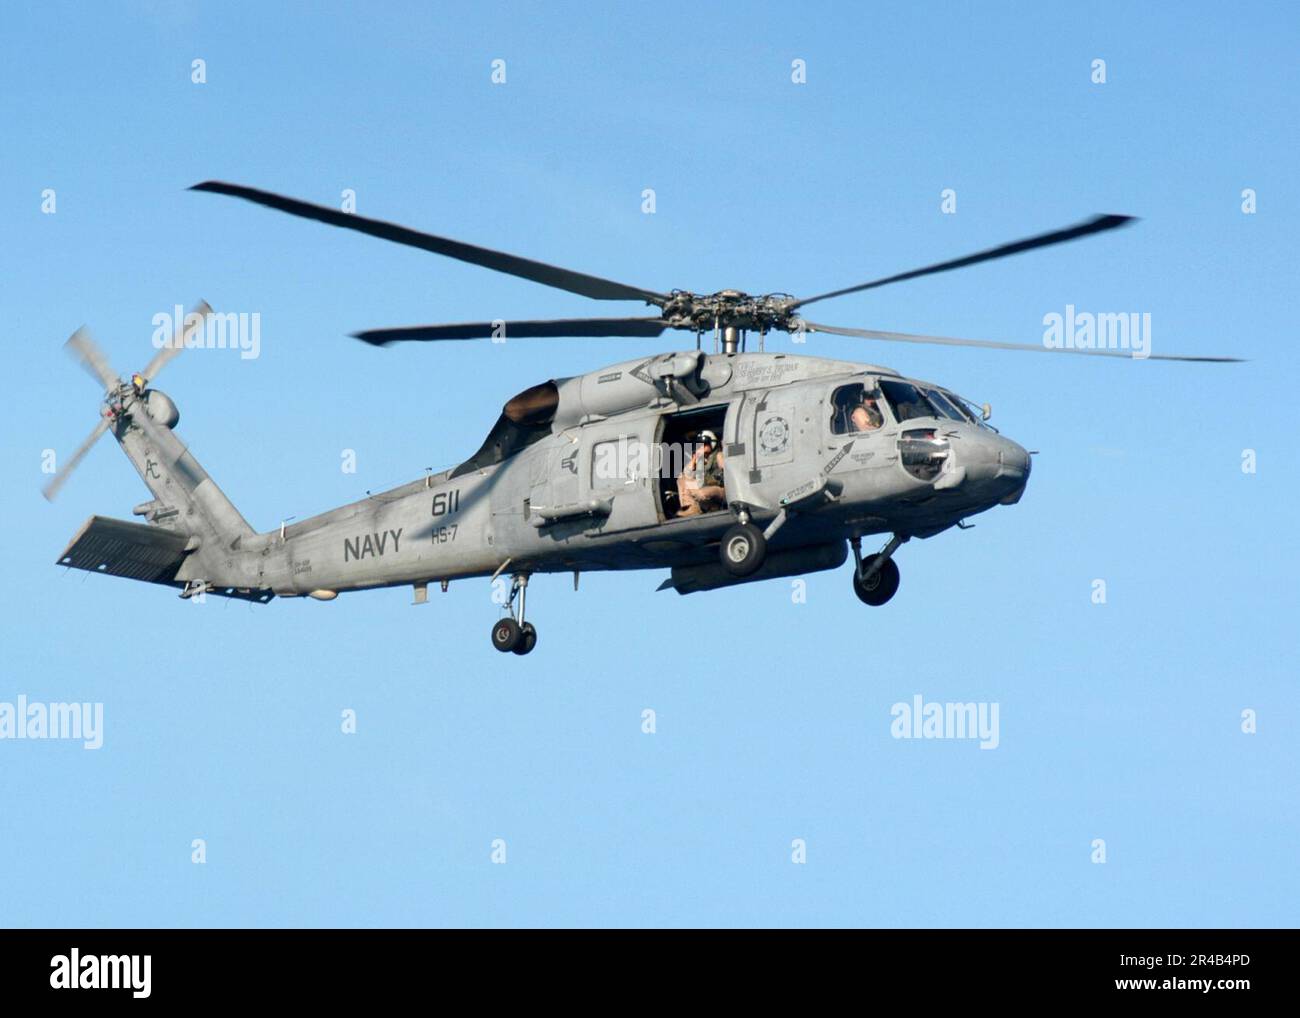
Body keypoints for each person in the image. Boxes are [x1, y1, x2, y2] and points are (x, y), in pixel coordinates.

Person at [677, 429, 726, 516]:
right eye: (700, 445)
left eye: (705, 444)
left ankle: (712, 507)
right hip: (705, 486)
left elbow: (726, 469)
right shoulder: (701, 460)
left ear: (712, 443)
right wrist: (693, 461)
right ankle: (692, 507)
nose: (701, 447)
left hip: (721, 489)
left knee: (702, 493)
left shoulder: (719, 455)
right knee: (681, 478)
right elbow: (688, 475)